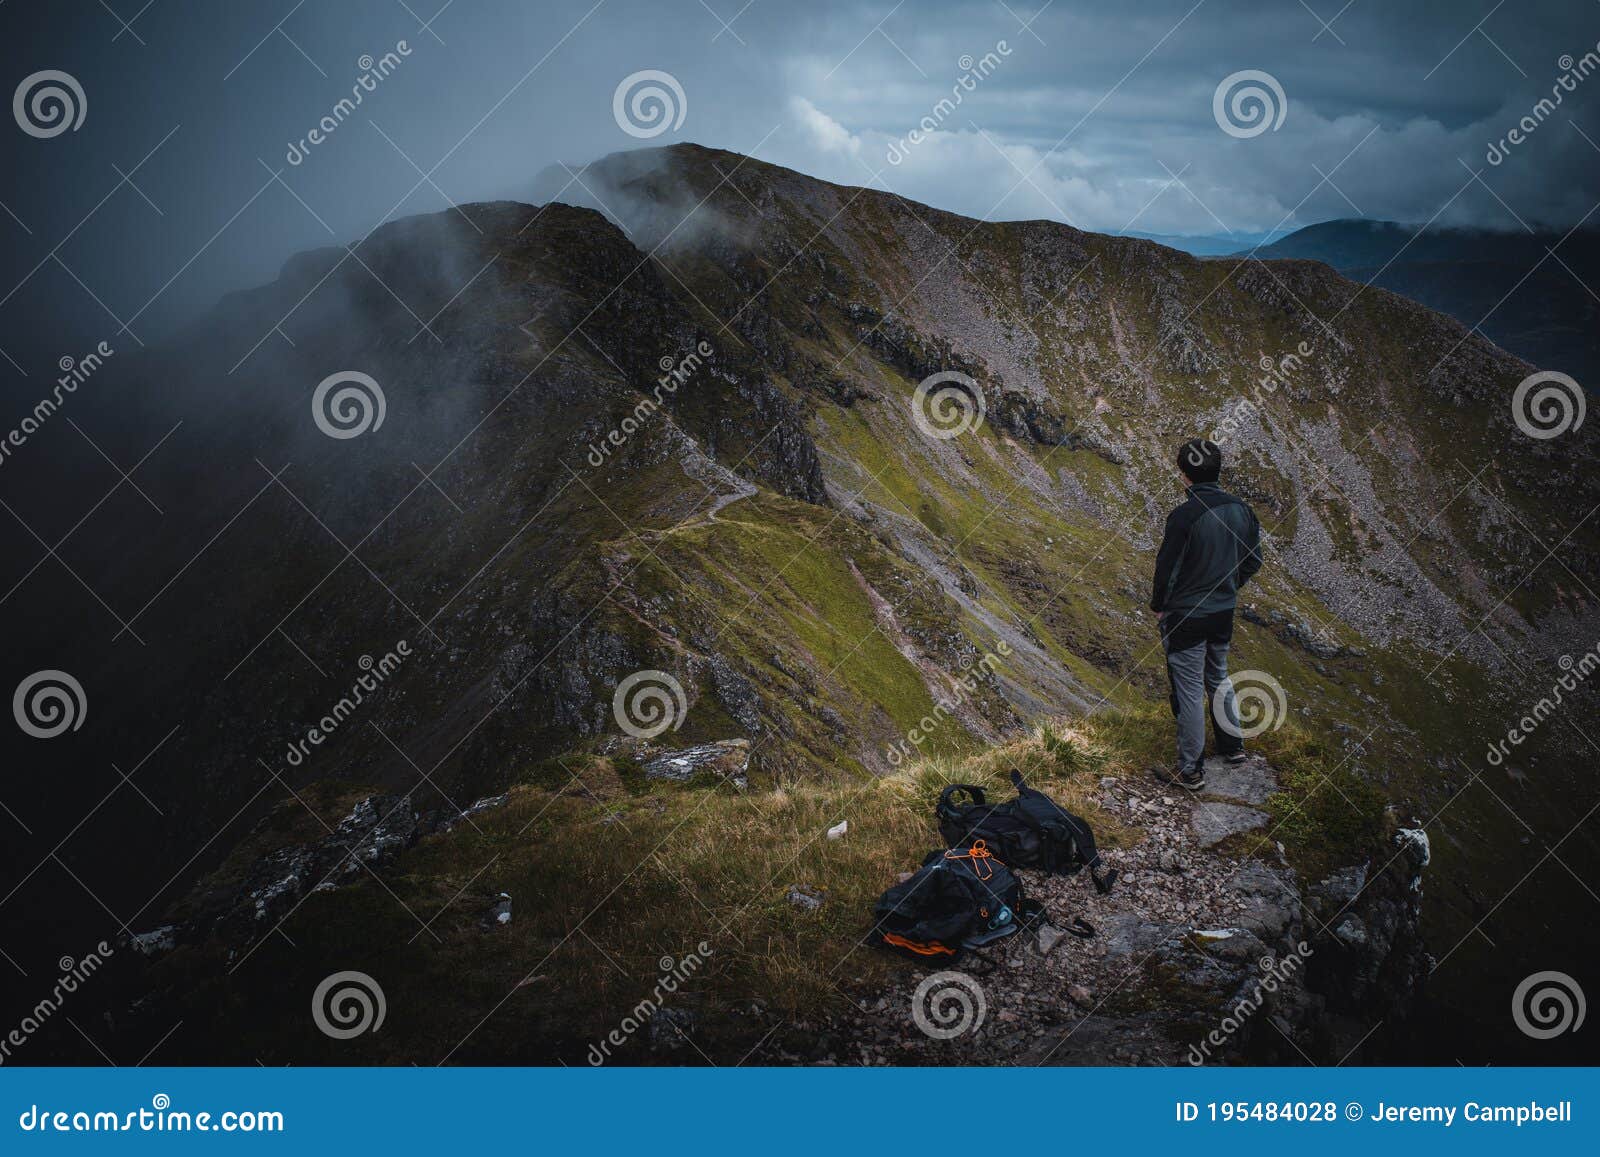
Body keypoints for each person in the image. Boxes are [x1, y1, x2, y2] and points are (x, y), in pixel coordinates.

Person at [1150, 438, 1263, 790]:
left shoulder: (1185, 516)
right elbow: (1253, 560)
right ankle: (1233, 749)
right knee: (1218, 677)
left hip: (1186, 616)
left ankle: (1190, 771)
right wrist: (1229, 584)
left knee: (1188, 689)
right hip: (1222, 611)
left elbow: (1167, 569)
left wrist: (1159, 605)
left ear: (1184, 475)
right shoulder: (1242, 510)